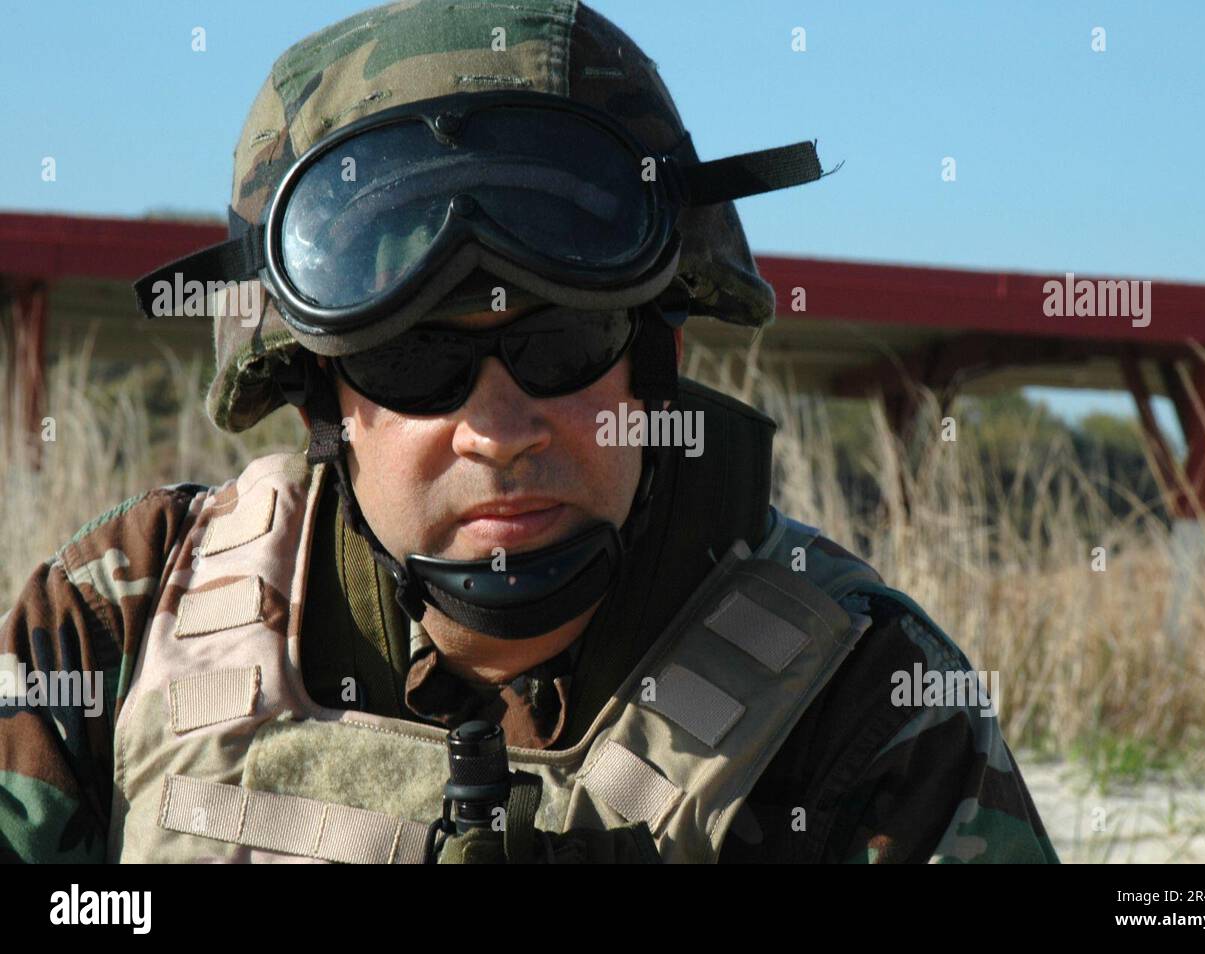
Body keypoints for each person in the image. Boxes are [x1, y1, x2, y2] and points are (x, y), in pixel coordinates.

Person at [0, 0, 1058, 864]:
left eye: (561, 344)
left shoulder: (862, 700)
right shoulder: (117, 622)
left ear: (655, 358)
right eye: (417, 364)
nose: (498, 432)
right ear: (323, 397)